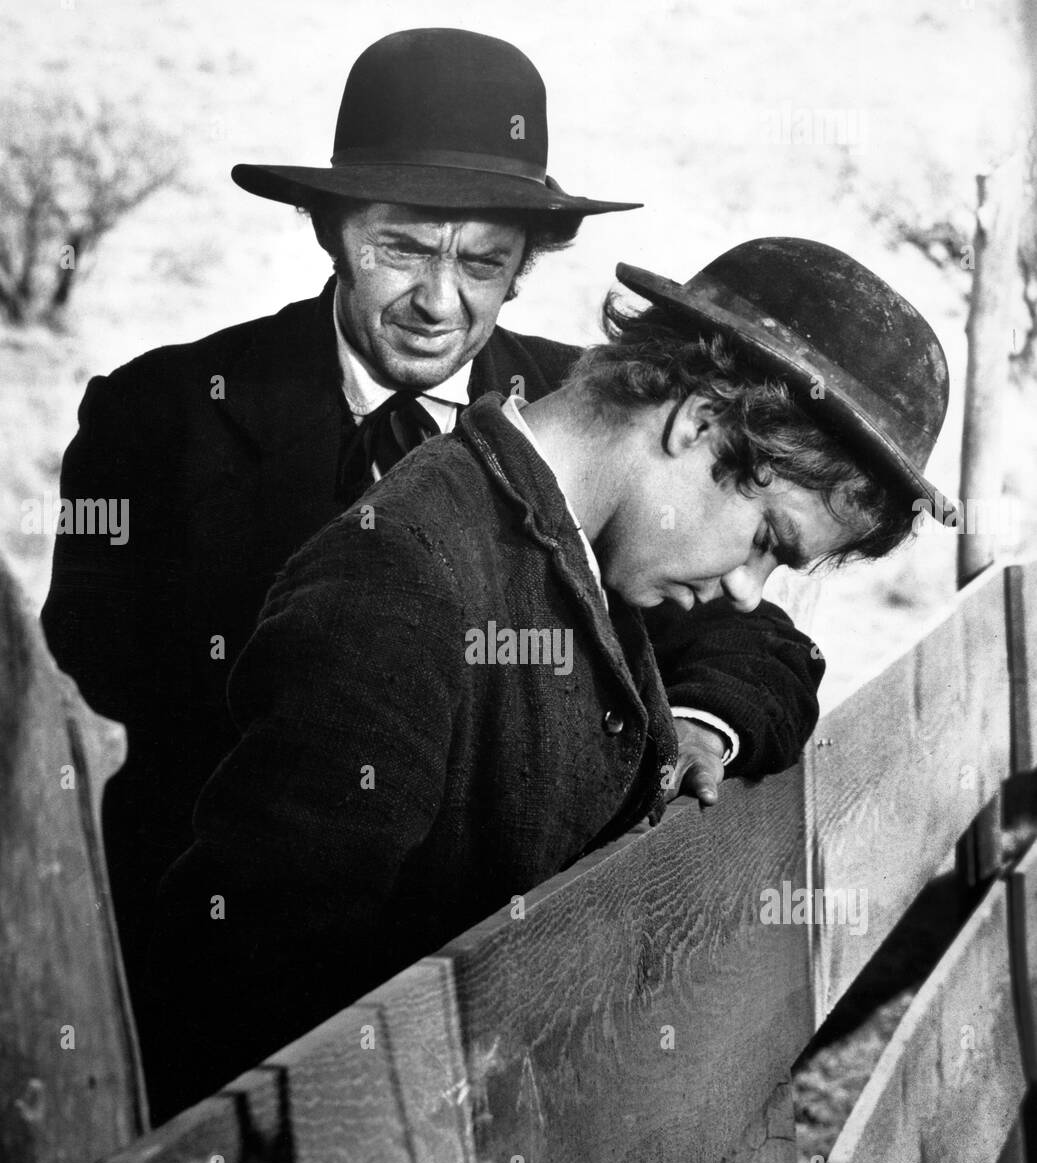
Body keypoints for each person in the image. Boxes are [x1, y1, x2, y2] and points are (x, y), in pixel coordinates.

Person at [40, 29, 822, 1001]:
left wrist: (701, 724)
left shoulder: (581, 413)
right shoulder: (157, 417)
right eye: (398, 248)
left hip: (512, 978)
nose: (437, 301)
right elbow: (96, 700)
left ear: (525, 265)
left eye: (483, 263)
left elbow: (759, 644)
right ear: (329, 232)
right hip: (244, 962)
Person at [141, 236, 958, 1122]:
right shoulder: (400, 579)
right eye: (767, 539)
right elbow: (258, 993)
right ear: (696, 423)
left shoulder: (598, 545)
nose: (748, 589)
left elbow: (764, 654)